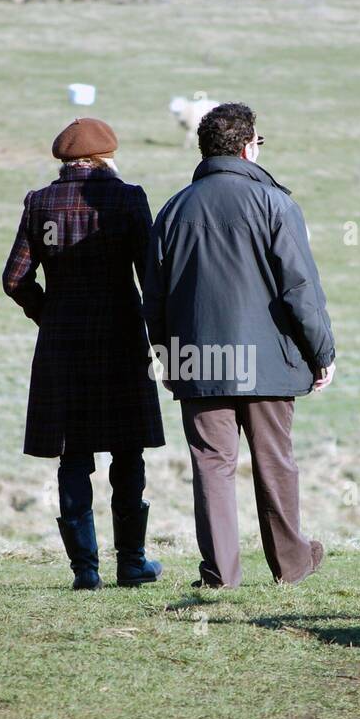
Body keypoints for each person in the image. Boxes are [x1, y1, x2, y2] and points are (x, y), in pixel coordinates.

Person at [143, 101, 335, 589]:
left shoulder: (173, 209)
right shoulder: (275, 203)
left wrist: (168, 357)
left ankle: (220, 575)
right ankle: (291, 565)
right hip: (269, 362)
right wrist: (322, 353)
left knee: (212, 467)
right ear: (249, 146)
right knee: (275, 462)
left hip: (198, 362)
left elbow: (155, 298)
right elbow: (300, 289)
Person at [2, 117, 164, 590]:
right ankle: (132, 563)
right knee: (127, 452)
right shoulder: (129, 197)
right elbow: (149, 276)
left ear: (66, 160)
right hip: (120, 341)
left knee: (72, 457)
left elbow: (15, 279)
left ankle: (85, 572)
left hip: (62, 345)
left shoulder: (40, 202)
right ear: (106, 157)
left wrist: (47, 313)